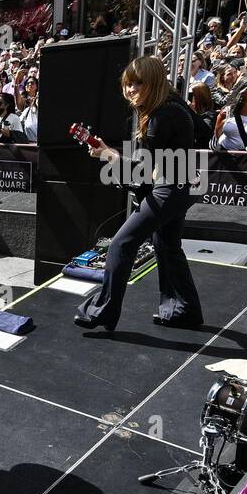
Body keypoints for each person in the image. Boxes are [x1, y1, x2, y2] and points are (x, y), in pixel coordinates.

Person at [74, 56, 203, 332]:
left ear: (153, 83)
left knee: (121, 243)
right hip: (180, 184)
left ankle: (103, 311)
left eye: (137, 83)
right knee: (167, 245)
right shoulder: (175, 105)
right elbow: (198, 133)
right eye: (127, 84)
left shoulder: (160, 116)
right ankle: (184, 309)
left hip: (171, 187)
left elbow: (141, 171)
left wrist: (108, 155)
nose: (130, 90)